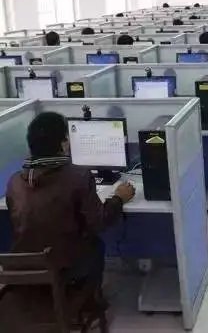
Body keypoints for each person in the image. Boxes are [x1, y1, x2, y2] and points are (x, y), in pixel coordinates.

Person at [6, 112, 135, 294]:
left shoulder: (14, 182)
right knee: (96, 245)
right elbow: (99, 222)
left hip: (23, 265)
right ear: (64, 143)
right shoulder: (78, 177)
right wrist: (119, 198)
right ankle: (91, 299)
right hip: (63, 265)